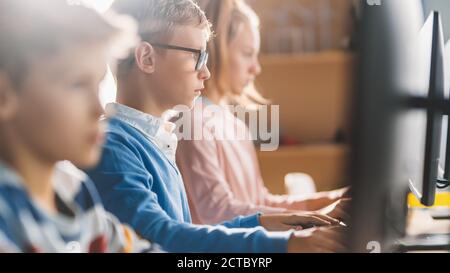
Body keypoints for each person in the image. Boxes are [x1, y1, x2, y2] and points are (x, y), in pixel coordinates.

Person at [85, 0, 347, 253]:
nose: (206, 72)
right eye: (197, 56)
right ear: (147, 58)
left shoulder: (154, 141)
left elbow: (184, 232)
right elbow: (162, 237)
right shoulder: (113, 146)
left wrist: (263, 222)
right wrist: (283, 245)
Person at [175, 0, 350, 225]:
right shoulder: (192, 122)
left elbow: (259, 200)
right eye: (247, 54)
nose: (256, 68)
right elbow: (216, 211)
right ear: (217, 51)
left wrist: (333, 199)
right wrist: (314, 216)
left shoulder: (233, 124)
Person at [0, 0, 156, 253]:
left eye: (97, 86)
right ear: (5, 95)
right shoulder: (7, 219)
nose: (100, 109)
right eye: (78, 85)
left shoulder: (73, 189)